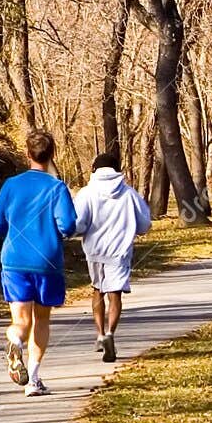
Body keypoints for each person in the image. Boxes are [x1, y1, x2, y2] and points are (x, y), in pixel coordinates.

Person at [0, 131, 77, 397]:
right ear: (52, 155)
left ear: (27, 154)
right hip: (46, 261)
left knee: (21, 320)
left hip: (15, 261)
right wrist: (58, 231)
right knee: (42, 319)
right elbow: (68, 225)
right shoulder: (57, 187)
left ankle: (15, 340)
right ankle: (33, 380)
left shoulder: (11, 185)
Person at [71, 150, 151, 363]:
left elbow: (78, 224)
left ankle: (99, 334)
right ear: (117, 170)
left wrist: (75, 233)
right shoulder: (129, 194)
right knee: (115, 294)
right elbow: (144, 224)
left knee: (97, 290)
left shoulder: (87, 193)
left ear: (94, 169)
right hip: (120, 251)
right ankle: (110, 334)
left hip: (95, 251)